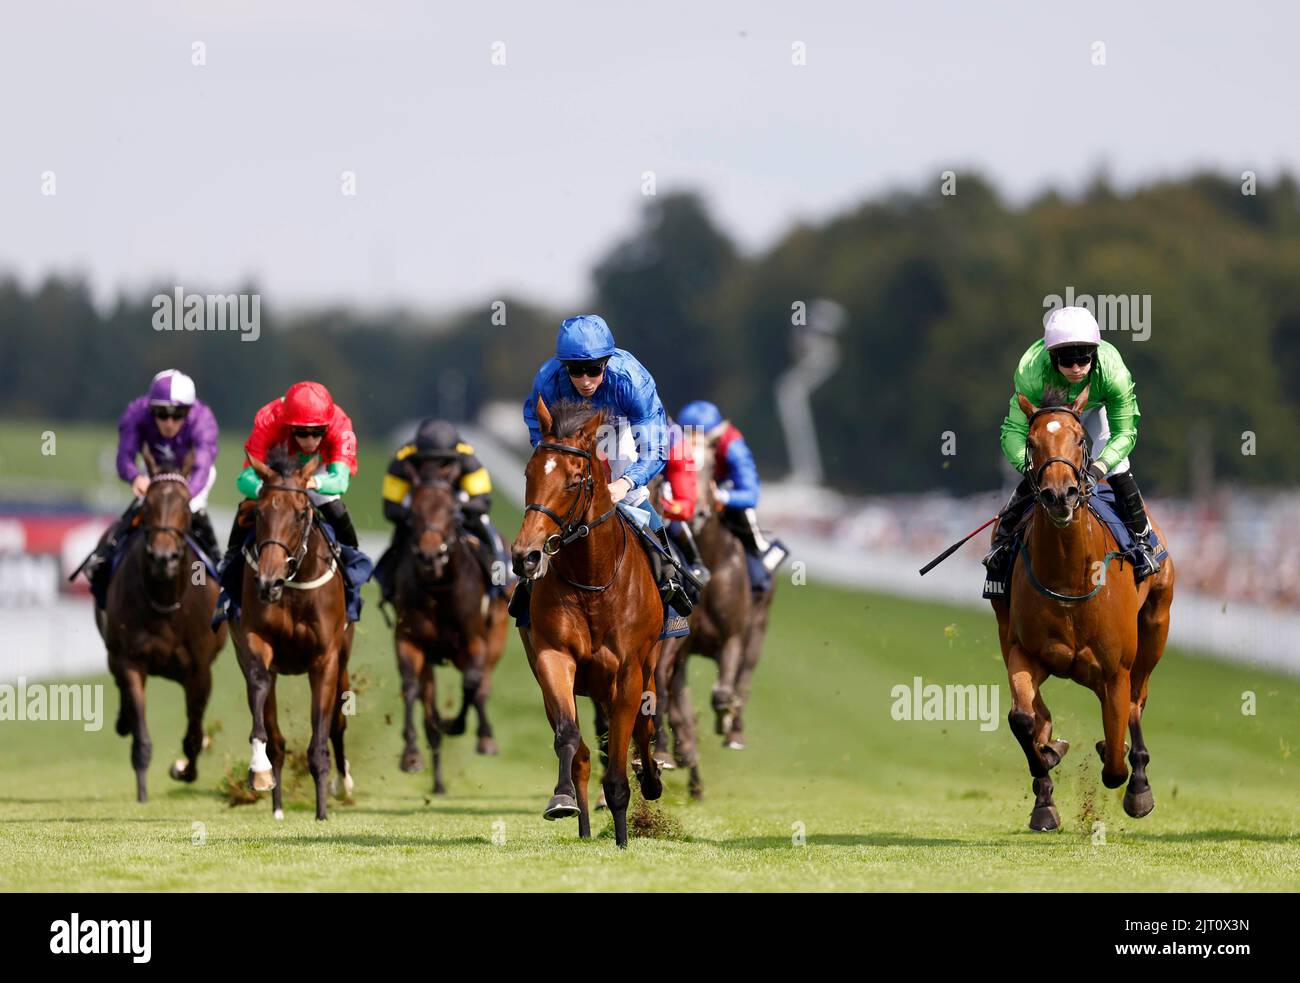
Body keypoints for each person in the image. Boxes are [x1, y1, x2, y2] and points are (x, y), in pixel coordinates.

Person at [984, 305, 1162, 595]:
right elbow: (1014, 432)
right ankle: (1002, 545)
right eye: (1067, 359)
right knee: (1047, 469)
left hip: (1097, 408)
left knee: (1117, 466)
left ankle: (1143, 542)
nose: (1077, 367)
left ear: (1095, 353)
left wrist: (1097, 469)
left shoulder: (1113, 372)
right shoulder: (1031, 372)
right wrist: (1032, 468)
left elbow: (1124, 432)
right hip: (1051, 413)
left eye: (1084, 358)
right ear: (1051, 357)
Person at [521, 314, 692, 616]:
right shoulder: (547, 382)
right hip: (569, 436)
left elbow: (655, 448)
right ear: (564, 367)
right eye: (576, 370)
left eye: (593, 369)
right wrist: (554, 463)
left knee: (631, 496)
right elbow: (539, 430)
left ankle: (667, 575)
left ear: (607, 362)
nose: (585, 380)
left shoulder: (632, 381)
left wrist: (624, 483)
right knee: (551, 496)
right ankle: (528, 580)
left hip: (621, 426)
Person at [215, 380, 370, 623]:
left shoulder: (341, 425)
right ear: (289, 426)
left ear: (326, 426)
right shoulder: (268, 420)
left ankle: (351, 566)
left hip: (316, 473)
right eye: (302, 432)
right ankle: (229, 565)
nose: (310, 441)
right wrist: (268, 491)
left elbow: (340, 481)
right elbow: (244, 478)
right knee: (248, 507)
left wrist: (312, 484)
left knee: (333, 505)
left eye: (317, 432)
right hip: (277, 475)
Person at [80, 369, 220, 606]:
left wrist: (184, 496)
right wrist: (135, 477)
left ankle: (218, 564)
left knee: (193, 511)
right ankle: (106, 557)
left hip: (191, 476)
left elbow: (203, 467)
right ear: (150, 408)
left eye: (177, 415)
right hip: (153, 471)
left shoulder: (203, 420)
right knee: (144, 510)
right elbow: (124, 456)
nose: (168, 423)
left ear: (189, 411)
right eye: (161, 414)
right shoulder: (136, 413)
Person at [374, 417, 510, 603]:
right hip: (419, 509)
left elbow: (483, 502)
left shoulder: (467, 457)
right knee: (397, 542)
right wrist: (414, 514)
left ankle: (499, 582)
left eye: (442, 462)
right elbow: (391, 508)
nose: (433, 469)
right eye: (427, 462)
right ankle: (388, 586)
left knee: (489, 535)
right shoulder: (402, 460)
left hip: (458, 504)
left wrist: (456, 509)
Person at [674, 400, 789, 594]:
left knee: (745, 514)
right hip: (691, 491)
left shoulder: (733, 447)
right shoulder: (675, 442)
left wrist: (721, 496)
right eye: (688, 439)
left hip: (724, 491)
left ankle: (761, 556)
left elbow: (751, 494)